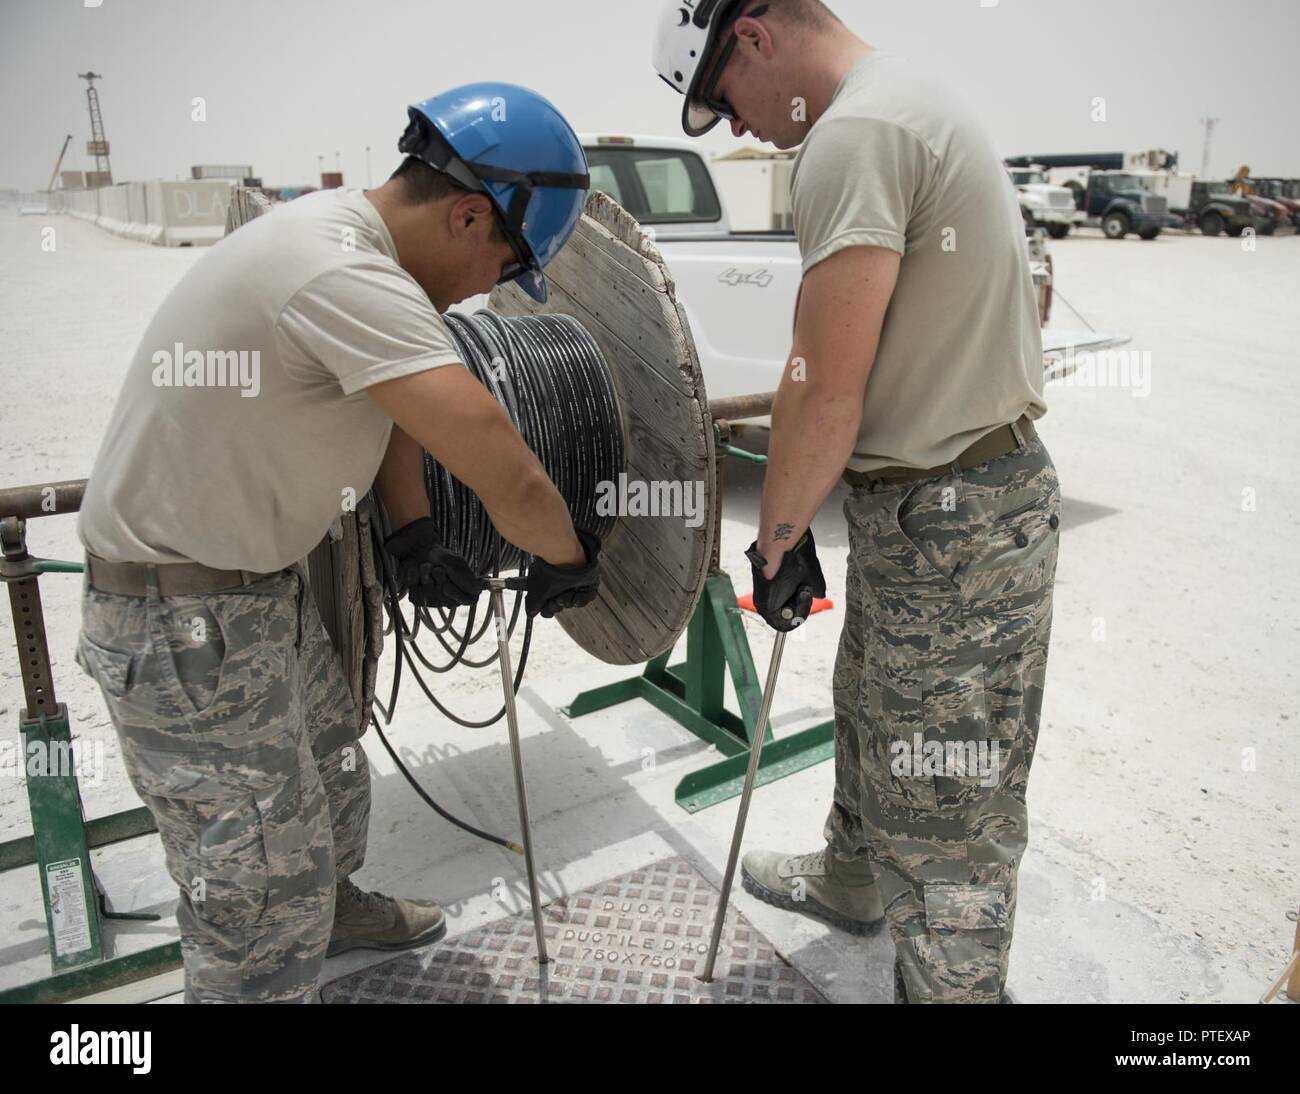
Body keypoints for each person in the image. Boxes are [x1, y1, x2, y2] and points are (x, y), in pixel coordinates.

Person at [74, 82, 601, 1003]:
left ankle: (333, 901)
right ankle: (281, 943)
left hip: (251, 591)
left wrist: (414, 533)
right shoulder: (338, 271)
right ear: (471, 215)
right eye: (507, 267)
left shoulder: (347, 244)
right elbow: (506, 470)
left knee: (332, 762)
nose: (494, 291)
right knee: (254, 896)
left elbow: (386, 397)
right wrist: (566, 560)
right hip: (180, 618)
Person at [654, 1, 1060, 1003]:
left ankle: (954, 989)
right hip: (936, 505)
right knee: (870, 706)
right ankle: (849, 874)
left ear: (751, 34)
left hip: (951, 516)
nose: (737, 126)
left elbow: (825, 378)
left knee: (945, 799)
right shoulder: (899, 99)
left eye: (723, 100)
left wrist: (775, 538)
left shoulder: (855, 138)